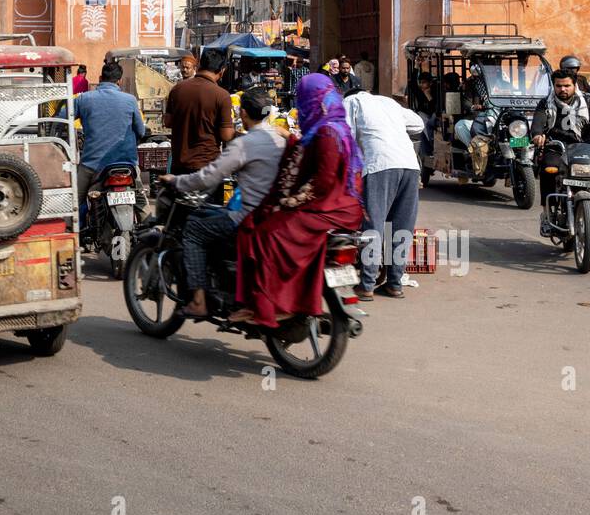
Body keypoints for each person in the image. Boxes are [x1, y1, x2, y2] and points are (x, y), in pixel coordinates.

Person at [231, 73, 364, 327]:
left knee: (264, 233)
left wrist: (288, 202)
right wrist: (290, 139)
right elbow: (312, 156)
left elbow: (321, 181)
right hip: (341, 205)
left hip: (327, 208)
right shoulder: (334, 126)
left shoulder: (326, 133)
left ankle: (271, 305)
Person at [159, 86, 286, 319]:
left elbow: (209, 177)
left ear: (243, 113)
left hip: (247, 217)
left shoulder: (245, 144)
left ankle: (198, 301)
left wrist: (177, 181)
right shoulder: (280, 139)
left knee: (193, 230)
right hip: (275, 216)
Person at [345, 89, 424, 300]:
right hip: (409, 164)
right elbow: (418, 124)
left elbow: (346, 134)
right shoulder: (389, 103)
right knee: (402, 226)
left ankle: (367, 285)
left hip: (380, 165)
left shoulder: (352, 100)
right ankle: (395, 284)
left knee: (374, 226)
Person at [532, 67, 590, 232]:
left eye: (567, 85)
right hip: (556, 147)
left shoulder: (588, 101)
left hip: (582, 147)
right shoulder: (546, 103)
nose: (563, 89)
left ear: (574, 85)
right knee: (547, 169)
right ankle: (547, 214)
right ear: (554, 86)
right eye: (559, 86)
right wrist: (537, 134)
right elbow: (538, 121)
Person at [76, 59, 148, 228]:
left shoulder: (83, 99)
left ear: (100, 78)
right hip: (127, 164)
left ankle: (79, 231)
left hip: (93, 164)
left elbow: (61, 118)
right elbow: (141, 131)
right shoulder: (130, 100)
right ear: (119, 81)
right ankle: (149, 232)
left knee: (75, 201)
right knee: (141, 202)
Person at [164, 46, 234, 175]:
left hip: (179, 165)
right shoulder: (222, 95)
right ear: (222, 71)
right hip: (207, 167)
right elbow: (226, 135)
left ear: (199, 65)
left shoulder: (177, 89)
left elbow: (167, 122)